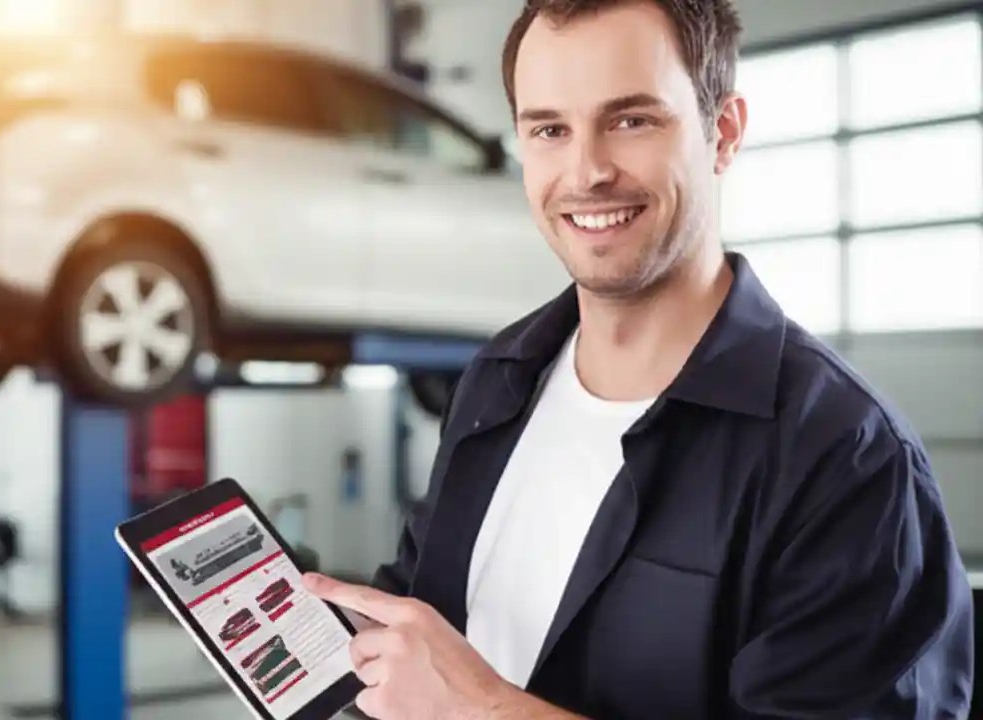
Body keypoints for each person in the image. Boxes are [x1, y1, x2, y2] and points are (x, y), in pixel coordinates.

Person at [304, 1, 975, 718]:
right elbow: (422, 625)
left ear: (723, 133)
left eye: (631, 120)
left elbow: (457, 694)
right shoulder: (498, 379)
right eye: (550, 130)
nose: (587, 171)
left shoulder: (846, 457)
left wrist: (482, 709)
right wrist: (317, 646)